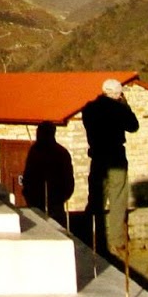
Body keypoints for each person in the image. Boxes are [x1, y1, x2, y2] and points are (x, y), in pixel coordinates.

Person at [81, 78, 139, 257]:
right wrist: (125, 105)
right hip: (115, 156)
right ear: (116, 93)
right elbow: (133, 126)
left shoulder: (88, 109)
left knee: (96, 198)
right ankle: (117, 241)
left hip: (97, 157)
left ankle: (90, 238)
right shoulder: (118, 108)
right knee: (118, 198)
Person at [20, 120, 75, 227]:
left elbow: (68, 181)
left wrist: (59, 199)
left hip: (55, 206)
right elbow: (28, 177)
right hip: (38, 204)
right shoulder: (36, 152)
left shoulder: (59, 153)